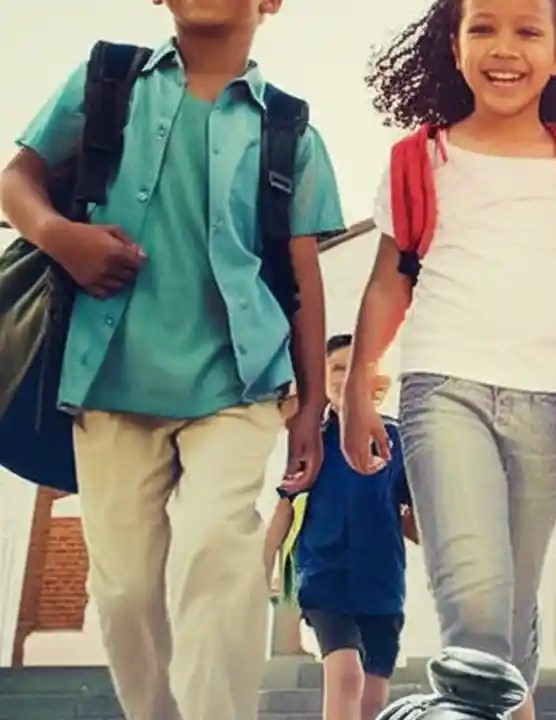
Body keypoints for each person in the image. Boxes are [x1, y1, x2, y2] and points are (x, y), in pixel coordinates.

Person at [0, 1, 341, 717]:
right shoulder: (107, 82)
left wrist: (311, 404)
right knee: (122, 589)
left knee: (217, 548)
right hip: (107, 377)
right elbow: (17, 176)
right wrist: (61, 236)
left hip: (237, 384)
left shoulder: (289, 128)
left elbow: (301, 274)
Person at [340, 1, 556, 718]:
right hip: (442, 386)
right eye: (482, 28)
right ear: (453, 48)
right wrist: (358, 384)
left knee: (512, 606)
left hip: (552, 401)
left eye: (526, 30)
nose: (503, 48)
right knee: (475, 599)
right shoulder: (418, 160)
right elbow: (389, 282)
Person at [265, 334, 415, 720]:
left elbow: (414, 515)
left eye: (355, 369)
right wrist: (261, 566)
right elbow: (285, 504)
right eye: (335, 368)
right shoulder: (309, 437)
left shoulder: (395, 439)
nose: (344, 377)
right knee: (346, 674)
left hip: (382, 585)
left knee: (371, 704)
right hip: (325, 575)